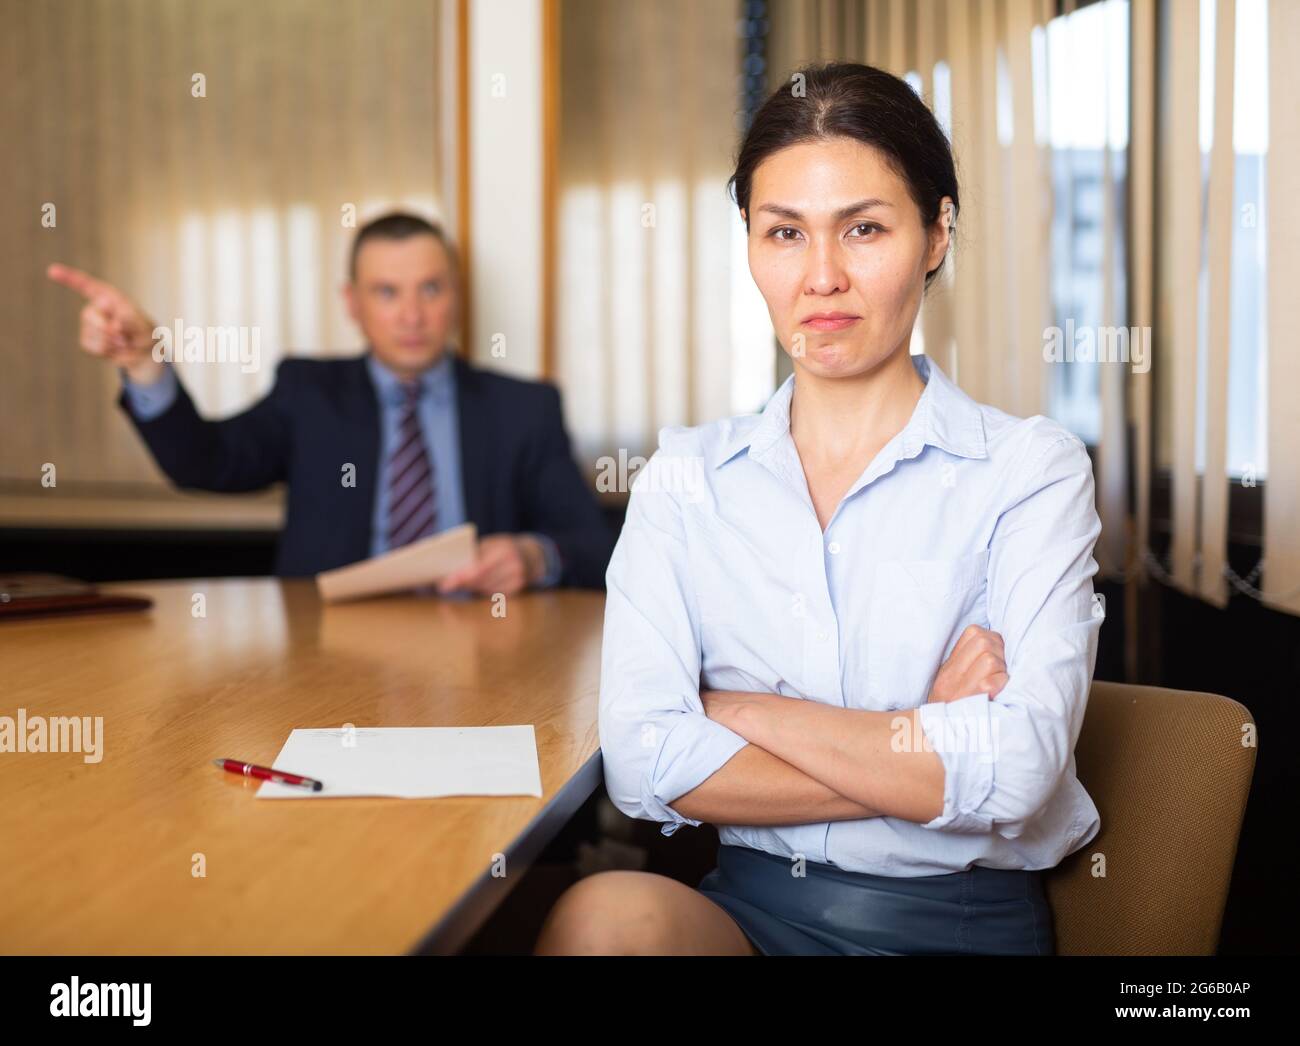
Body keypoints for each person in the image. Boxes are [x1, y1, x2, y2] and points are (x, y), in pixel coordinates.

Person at [536, 62, 1103, 955]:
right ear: (751, 245)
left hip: (953, 928)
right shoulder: (686, 477)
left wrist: (738, 712)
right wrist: (915, 736)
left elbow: (1018, 771)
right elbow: (644, 764)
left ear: (937, 233)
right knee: (605, 919)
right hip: (749, 914)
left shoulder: (1028, 470)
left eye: (864, 228)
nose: (822, 277)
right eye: (785, 233)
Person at [46, 213, 614, 592]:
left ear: (456, 296)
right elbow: (205, 462)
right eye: (386, 292)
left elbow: (595, 546)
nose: (411, 315)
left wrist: (534, 557)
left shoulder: (524, 409)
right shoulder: (308, 393)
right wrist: (146, 363)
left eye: (431, 289)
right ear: (352, 303)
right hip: (328, 666)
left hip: (485, 654)